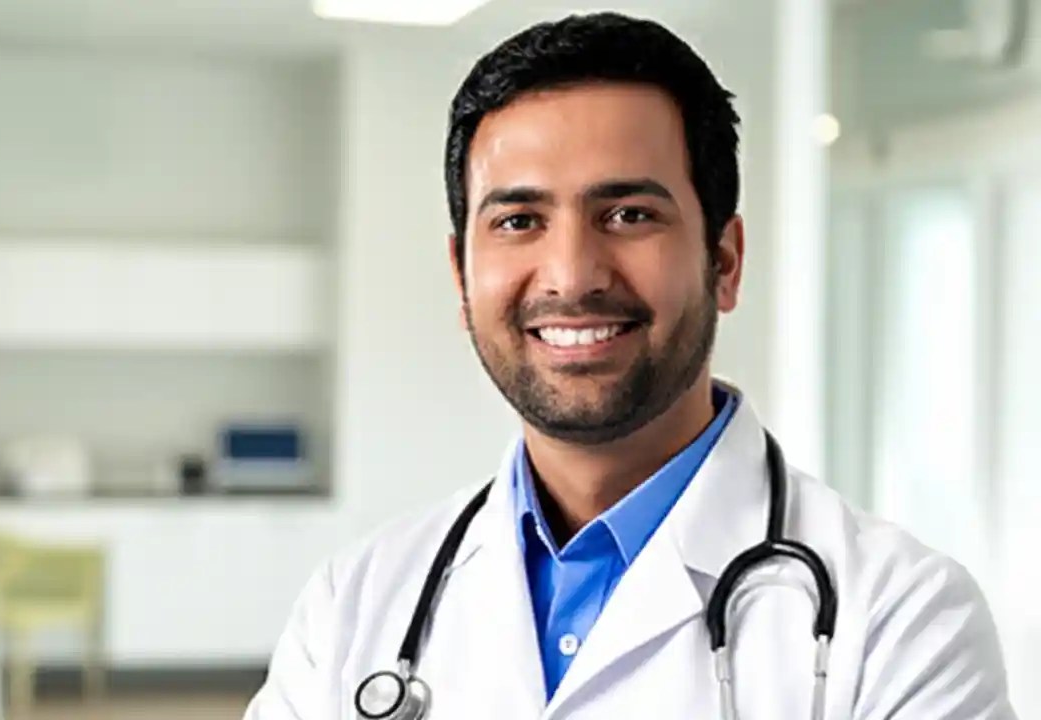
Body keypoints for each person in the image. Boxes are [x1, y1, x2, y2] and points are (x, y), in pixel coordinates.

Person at [244, 11, 1015, 720]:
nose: (572, 275)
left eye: (629, 215)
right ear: (460, 273)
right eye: (519, 220)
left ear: (724, 260)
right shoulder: (355, 606)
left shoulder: (901, 623)